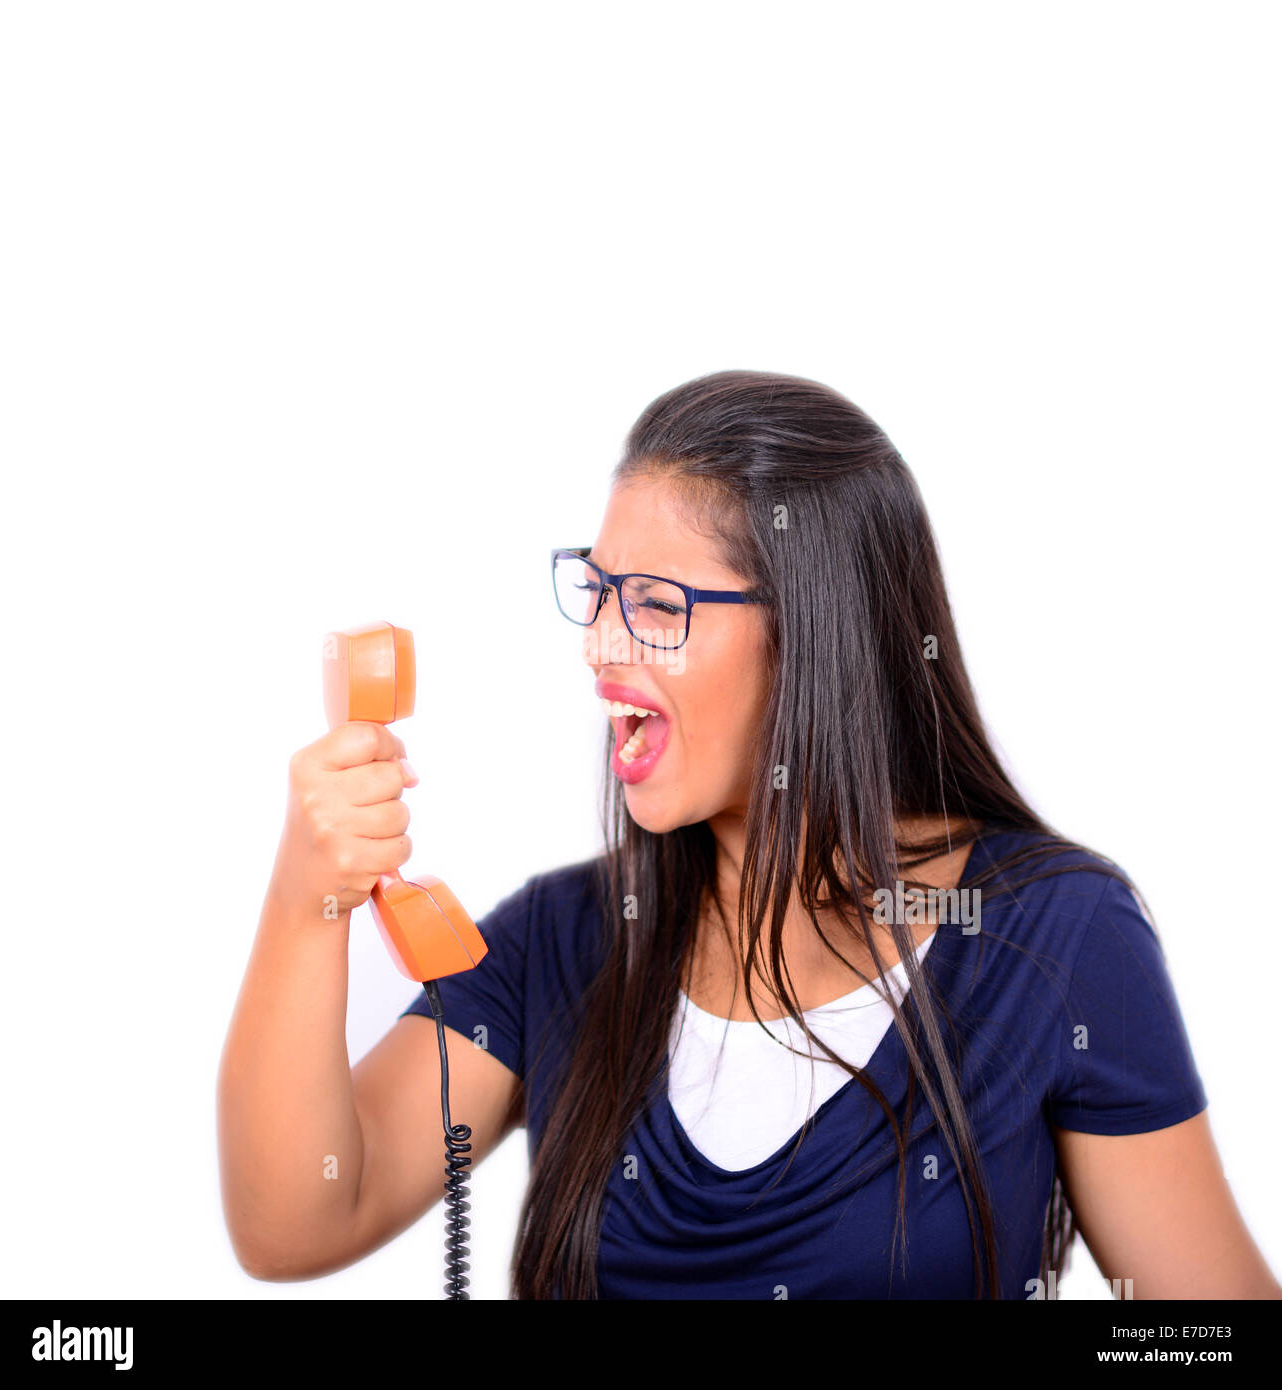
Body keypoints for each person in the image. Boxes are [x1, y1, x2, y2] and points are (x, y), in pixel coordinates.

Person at [217, 369, 1281, 1299]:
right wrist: (307, 895)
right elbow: (295, 1222)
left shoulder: (1053, 935)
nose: (598, 643)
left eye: (653, 603)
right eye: (595, 591)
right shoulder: (564, 939)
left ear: (814, 632)